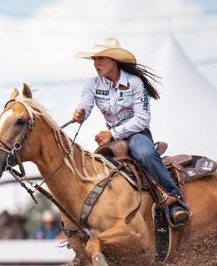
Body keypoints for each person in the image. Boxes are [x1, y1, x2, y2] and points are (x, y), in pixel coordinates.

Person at [72, 37, 190, 227]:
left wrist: (112, 134)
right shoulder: (92, 84)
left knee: (145, 154)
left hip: (137, 134)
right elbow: (84, 106)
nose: (96, 63)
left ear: (113, 60)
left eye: (101, 58)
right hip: (112, 139)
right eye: (94, 59)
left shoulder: (135, 83)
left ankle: (174, 200)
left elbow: (142, 119)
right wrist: (80, 114)